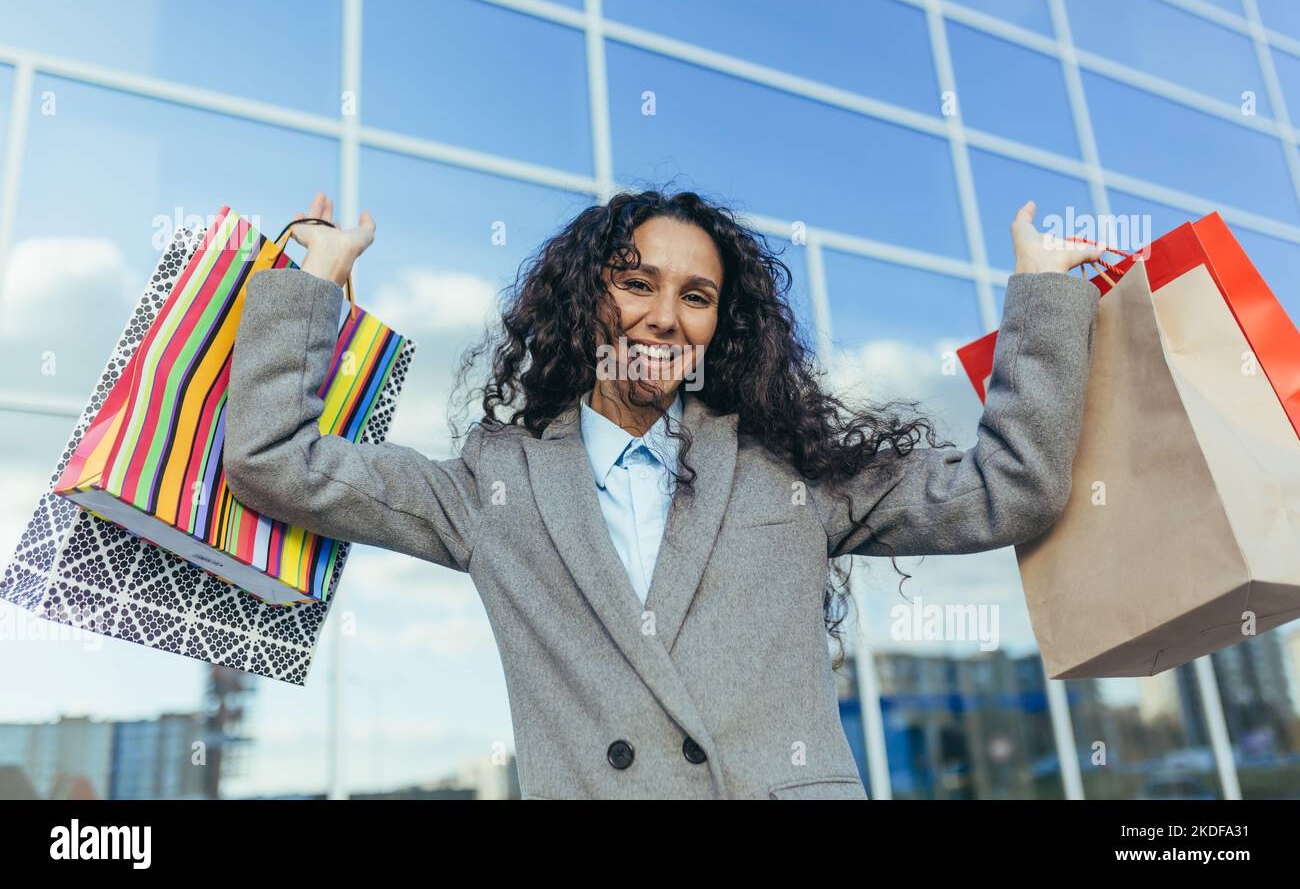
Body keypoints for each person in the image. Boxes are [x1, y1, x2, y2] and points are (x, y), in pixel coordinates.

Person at [224, 187, 1103, 799]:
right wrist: (312, 289)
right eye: (635, 281)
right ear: (586, 294)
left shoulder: (788, 470)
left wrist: (1044, 299)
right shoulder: (494, 483)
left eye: (697, 296)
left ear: (721, 326)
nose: (664, 315)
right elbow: (273, 460)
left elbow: (1008, 488)